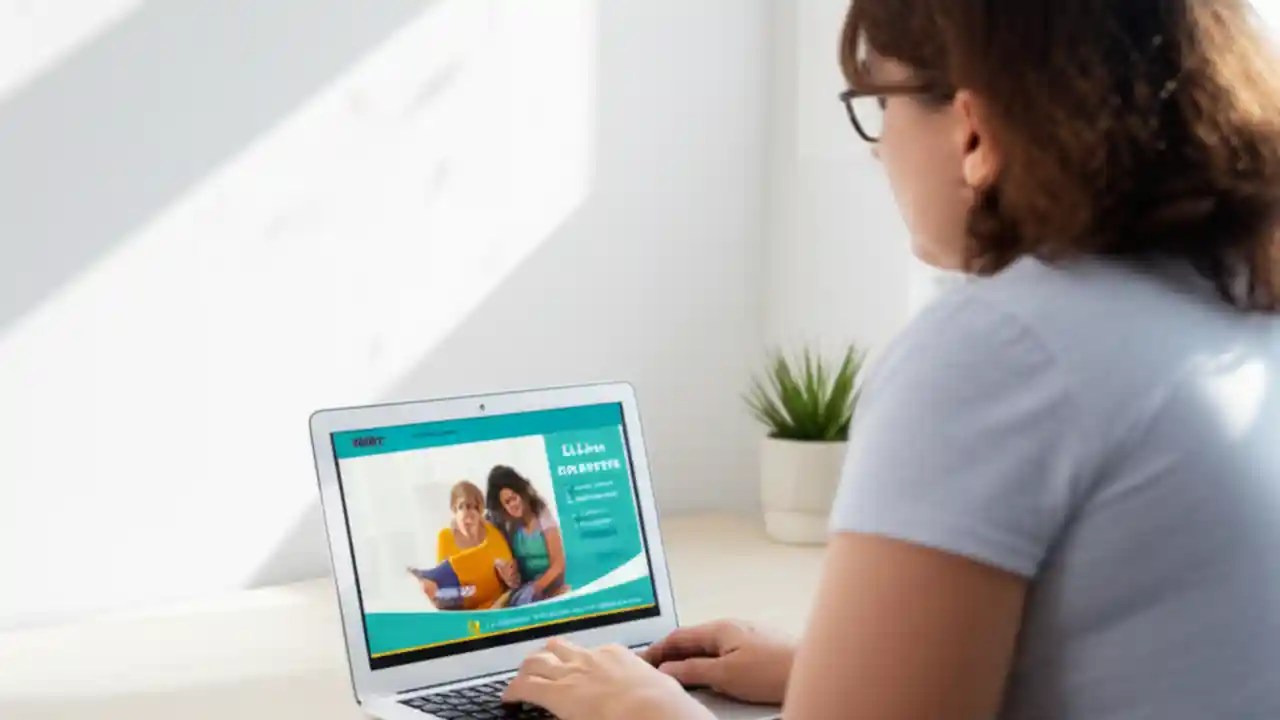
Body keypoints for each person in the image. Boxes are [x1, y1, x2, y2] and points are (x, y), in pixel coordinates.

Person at [502, 1, 1280, 718]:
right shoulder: (1233, 308)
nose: (879, 152)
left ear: (971, 130)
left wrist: (640, 707)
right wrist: (826, 668)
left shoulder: (1002, 349)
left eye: (878, 103)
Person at [407, 480, 518, 610]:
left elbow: (512, 581)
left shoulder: (492, 535)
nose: (467, 514)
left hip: (496, 603)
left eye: (472, 507)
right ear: (454, 509)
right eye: (461, 507)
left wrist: (507, 575)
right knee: (435, 588)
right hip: (464, 606)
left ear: (480, 511)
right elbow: (444, 586)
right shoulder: (445, 537)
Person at [486, 465, 568, 606]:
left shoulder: (541, 513)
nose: (513, 505)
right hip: (525, 587)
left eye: (514, 498)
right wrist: (506, 570)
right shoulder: (508, 523)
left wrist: (536, 588)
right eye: (507, 502)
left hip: (551, 585)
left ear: (522, 493)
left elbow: (559, 564)